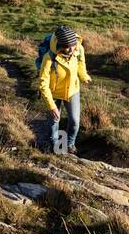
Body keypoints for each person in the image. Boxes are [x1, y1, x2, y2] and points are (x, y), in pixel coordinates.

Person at [37, 25, 90, 155]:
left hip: (72, 91)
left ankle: (70, 144)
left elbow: (81, 65)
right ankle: (55, 146)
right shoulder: (49, 58)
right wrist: (52, 106)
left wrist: (84, 76)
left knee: (75, 121)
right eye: (68, 47)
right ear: (60, 46)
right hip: (54, 93)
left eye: (73, 46)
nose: (72, 49)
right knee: (54, 121)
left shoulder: (78, 48)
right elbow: (43, 83)